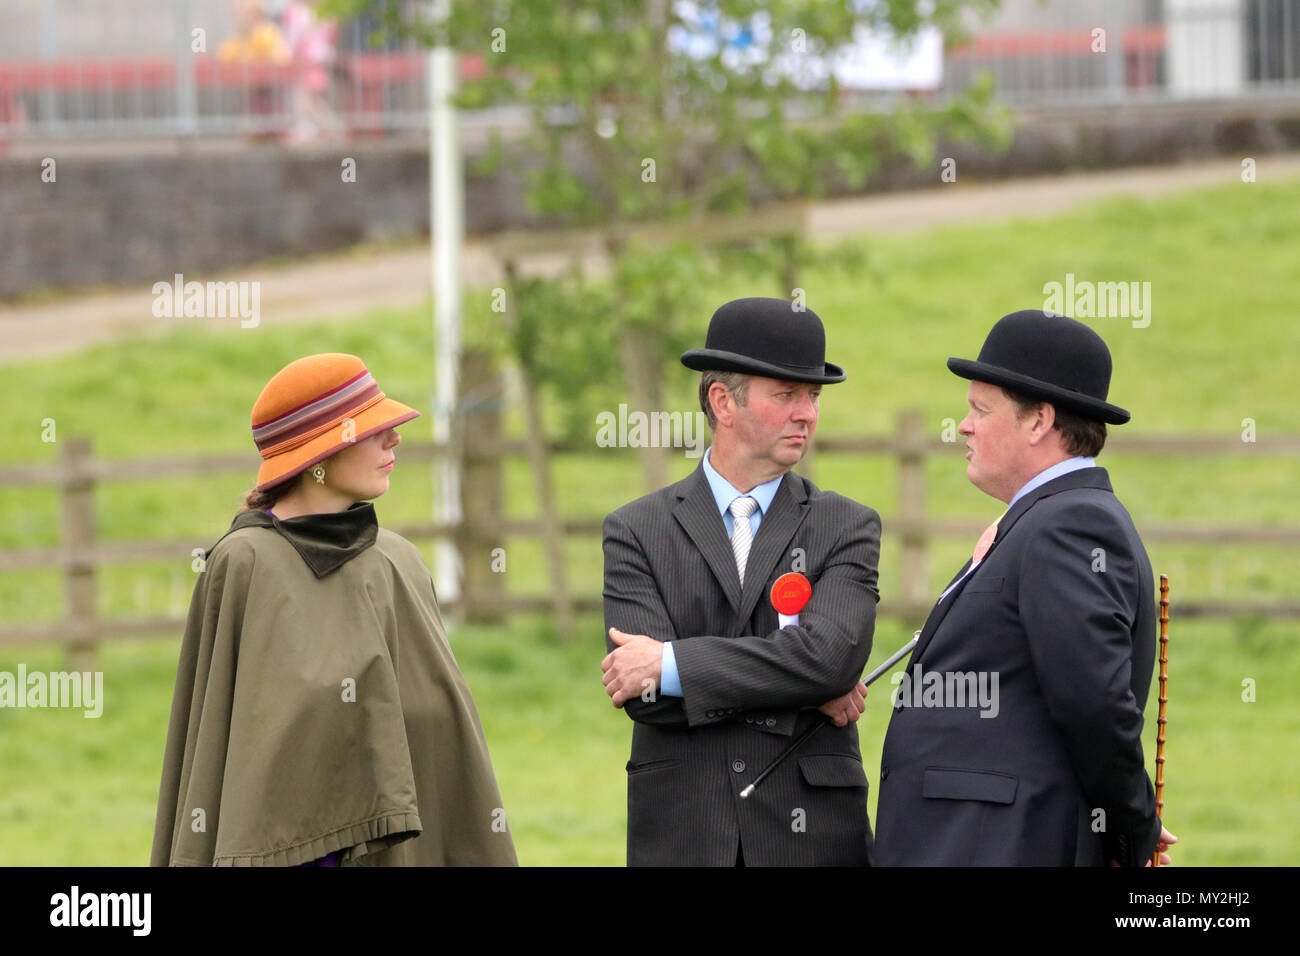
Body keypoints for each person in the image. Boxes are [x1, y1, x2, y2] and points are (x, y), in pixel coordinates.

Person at [152, 353, 518, 866]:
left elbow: (445, 737)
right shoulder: (246, 564)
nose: (394, 439)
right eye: (372, 430)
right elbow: (229, 747)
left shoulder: (397, 560)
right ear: (318, 453)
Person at [873, 310, 1178, 866]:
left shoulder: (1072, 524)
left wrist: (1132, 830)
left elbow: (1094, 703)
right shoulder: (1044, 519)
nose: (963, 426)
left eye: (980, 410)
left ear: (1039, 421)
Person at [600, 297, 881, 866]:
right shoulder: (635, 529)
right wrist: (805, 689)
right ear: (722, 402)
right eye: (787, 395)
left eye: (814, 396)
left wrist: (673, 663)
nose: (807, 414)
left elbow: (831, 660)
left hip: (811, 839)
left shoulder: (847, 525)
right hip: (685, 835)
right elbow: (645, 697)